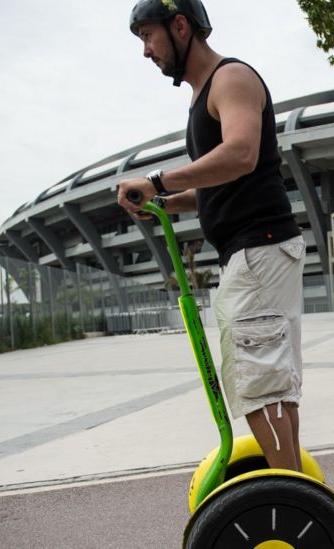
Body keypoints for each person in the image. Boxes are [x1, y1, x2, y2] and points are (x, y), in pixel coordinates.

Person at [117, 0, 305, 472]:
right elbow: (219, 188)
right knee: (270, 385)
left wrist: (158, 181)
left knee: (260, 385)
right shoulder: (203, 96)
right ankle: (294, 493)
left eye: (147, 35)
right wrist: (163, 203)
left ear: (180, 26)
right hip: (253, 251)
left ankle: (292, 503)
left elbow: (241, 153)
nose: (145, 51)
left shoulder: (231, 78)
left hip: (258, 249)